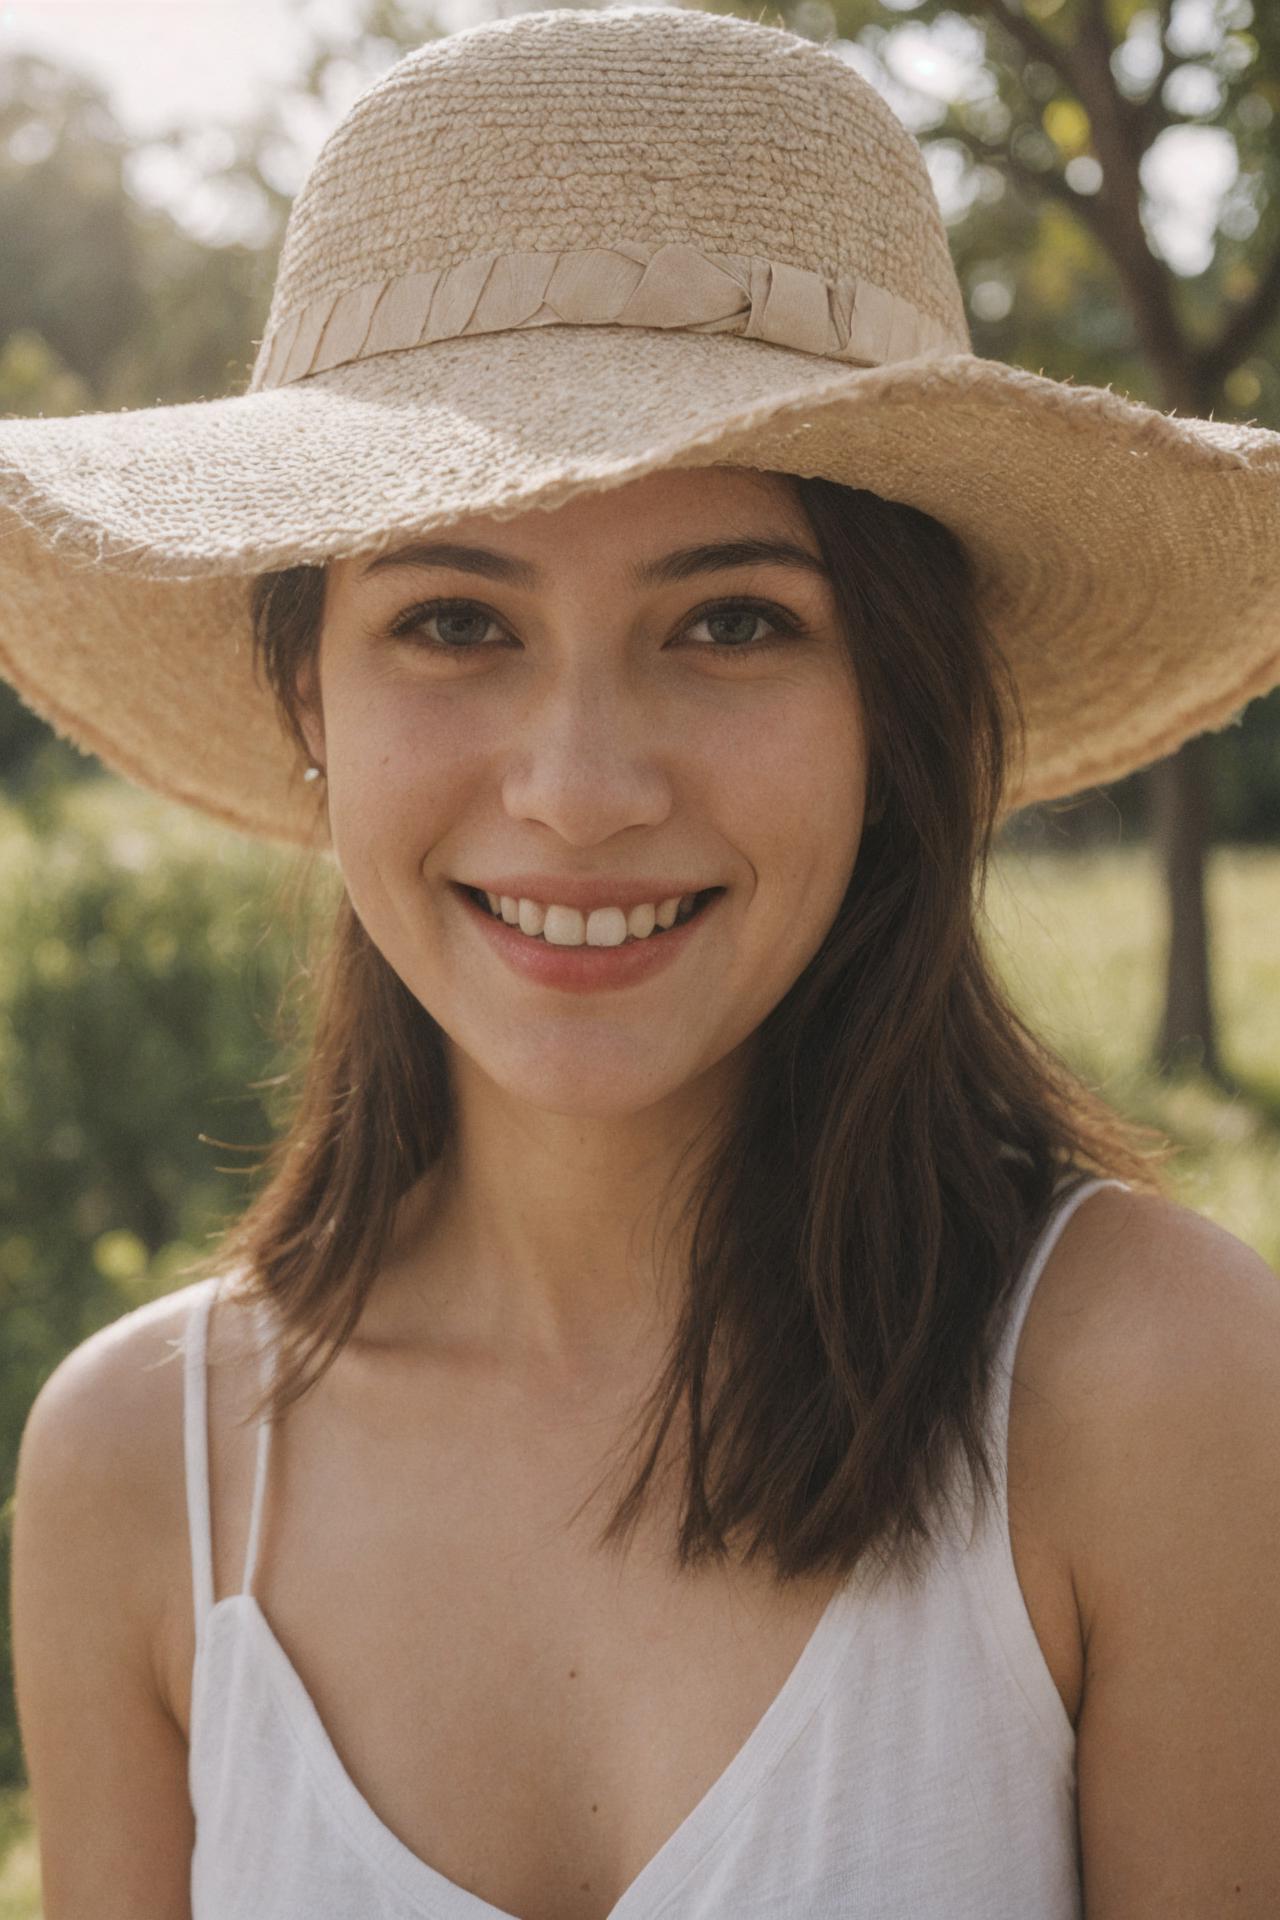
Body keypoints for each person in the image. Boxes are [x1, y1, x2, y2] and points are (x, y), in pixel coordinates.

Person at [5, 7, 1280, 1917]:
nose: (581, 790)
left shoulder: (1150, 1389)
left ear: (895, 711)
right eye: (452, 617)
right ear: (308, 699)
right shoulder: (142, 1474)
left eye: (736, 622)